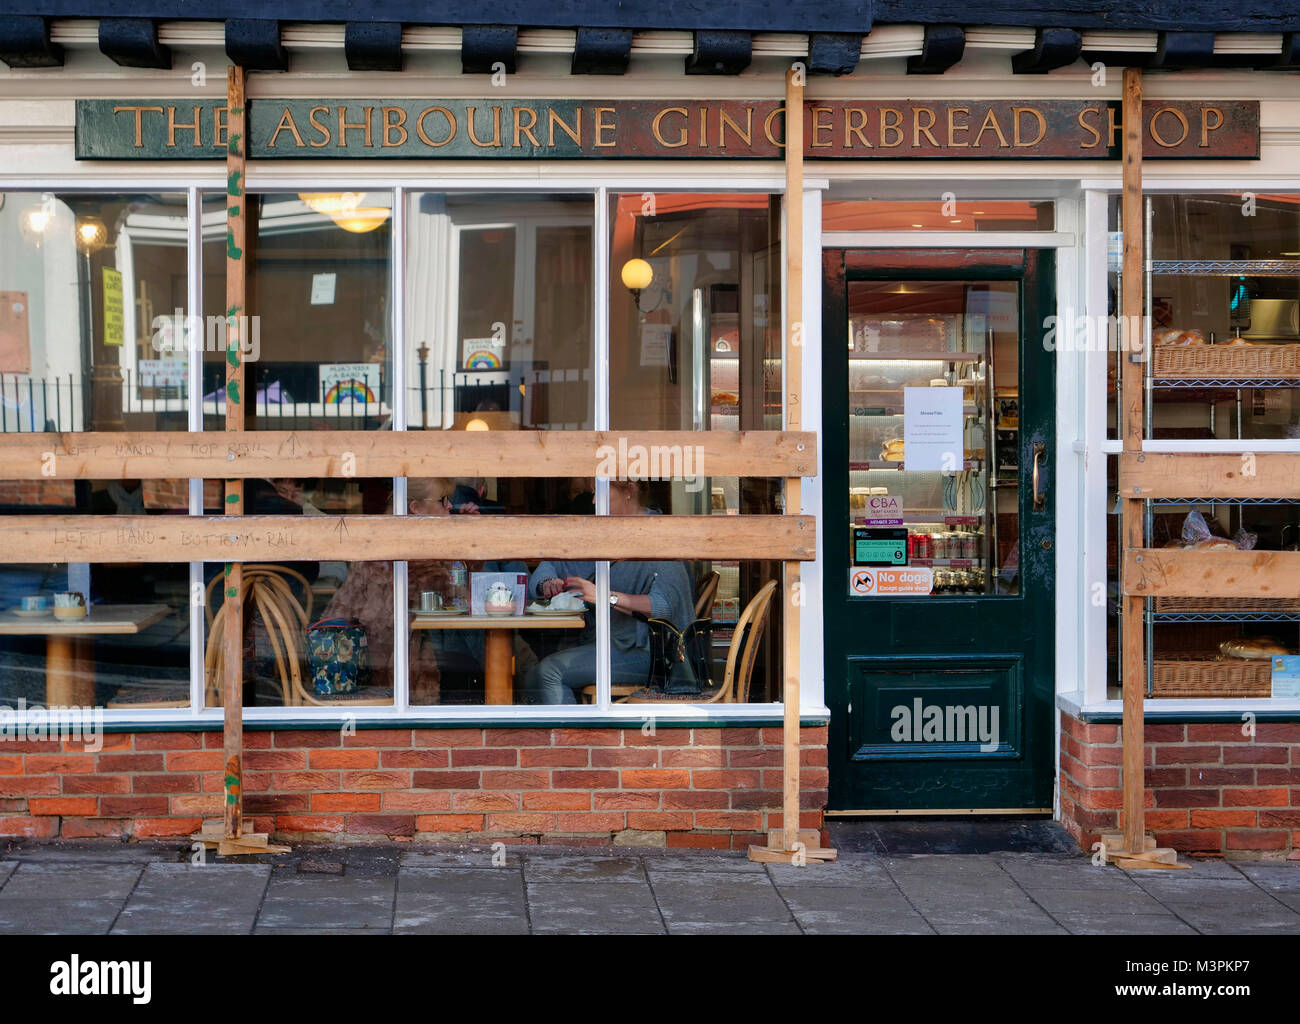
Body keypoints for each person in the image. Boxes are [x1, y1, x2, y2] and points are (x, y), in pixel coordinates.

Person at [522, 479, 693, 705]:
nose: (593, 501)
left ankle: (573, 739)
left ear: (629, 491)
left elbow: (666, 607)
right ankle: (575, 734)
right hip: (610, 643)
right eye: (593, 493)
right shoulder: (609, 533)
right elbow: (554, 562)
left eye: (600, 493)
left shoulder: (659, 535)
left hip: (651, 653)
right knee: (532, 678)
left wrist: (605, 596)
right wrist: (547, 582)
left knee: (549, 673)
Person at [320, 478, 466, 703]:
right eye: (443, 500)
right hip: (393, 665)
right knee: (472, 663)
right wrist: (467, 539)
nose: (450, 506)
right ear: (415, 508)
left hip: (388, 659)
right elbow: (457, 598)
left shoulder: (382, 544)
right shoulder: (415, 557)